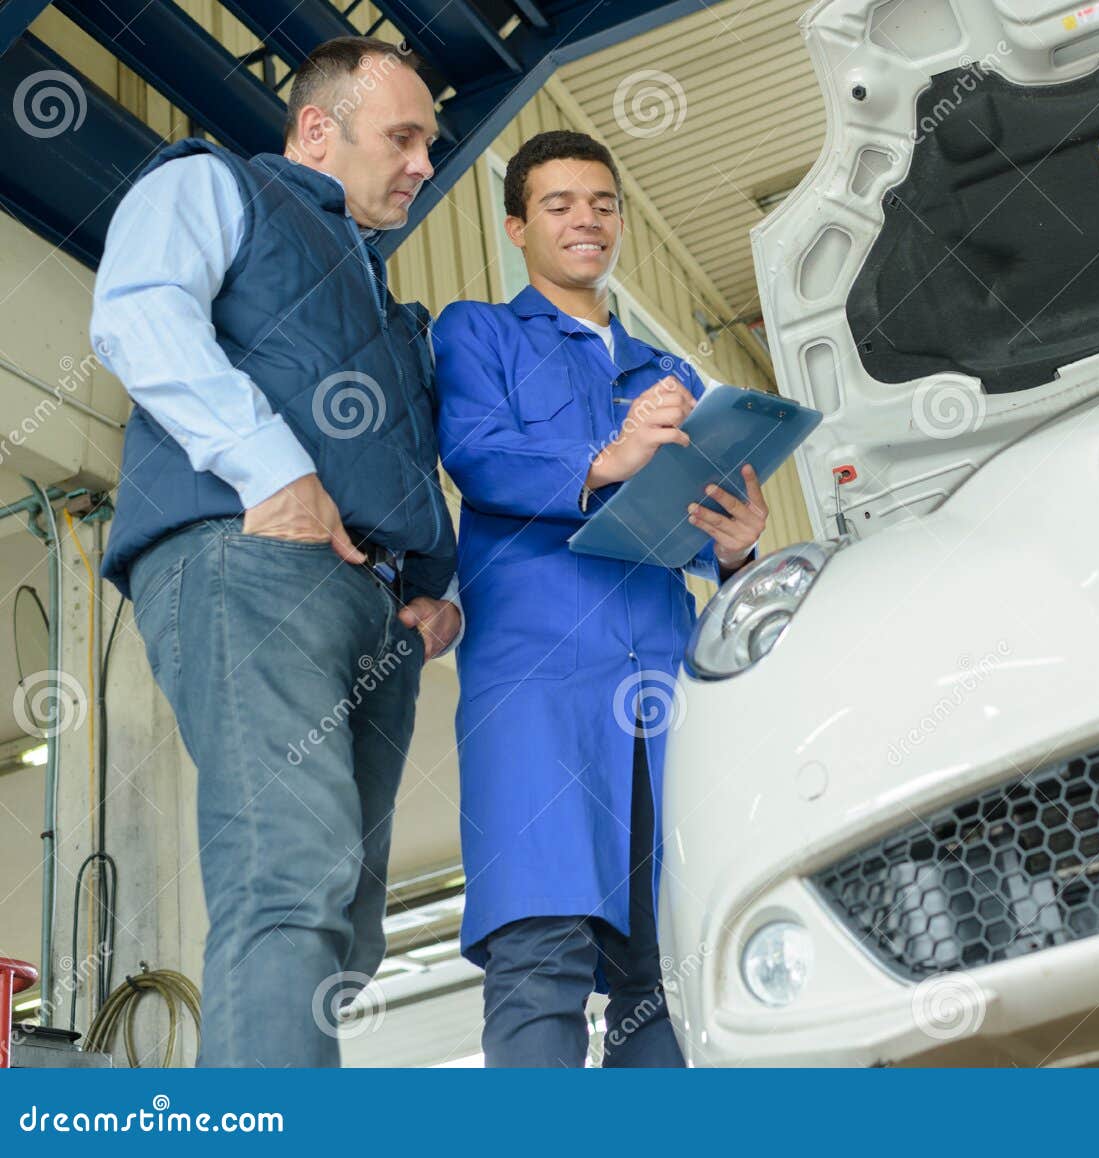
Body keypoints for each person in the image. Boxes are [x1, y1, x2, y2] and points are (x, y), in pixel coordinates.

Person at [91, 37, 462, 1066]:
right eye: (402, 137)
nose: (424, 163)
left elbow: (399, 457)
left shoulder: (383, 302)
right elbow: (138, 313)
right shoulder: (215, 185)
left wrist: (436, 589)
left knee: (346, 923)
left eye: (428, 142)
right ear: (316, 127)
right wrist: (270, 469)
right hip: (248, 562)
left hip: (372, 611)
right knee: (289, 871)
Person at [432, 130, 767, 1066]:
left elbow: (697, 527)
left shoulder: (670, 374)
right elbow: (478, 454)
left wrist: (736, 549)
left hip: (663, 686)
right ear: (514, 227)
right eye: (558, 204)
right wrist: (604, 458)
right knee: (540, 959)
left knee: (662, 971)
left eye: (603, 203)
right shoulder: (478, 333)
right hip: (536, 687)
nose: (587, 219)